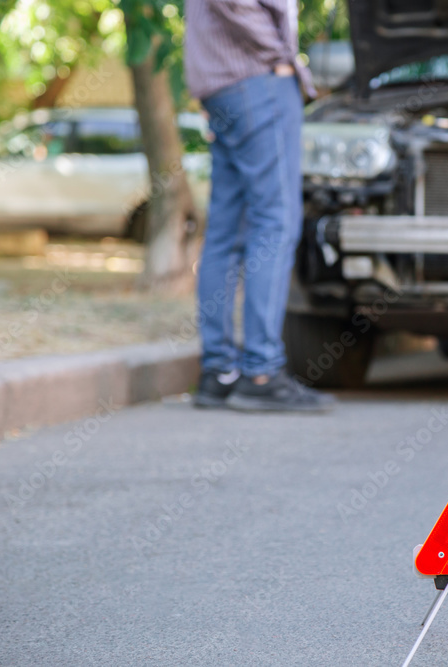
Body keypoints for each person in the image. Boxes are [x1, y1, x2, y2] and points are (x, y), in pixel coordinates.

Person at [184, 0, 334, 412]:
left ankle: (218, 373)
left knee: (226, 232)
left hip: (223, 86)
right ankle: (262, 371)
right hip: (257, 82)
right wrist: (280, 58)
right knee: (276, 222)